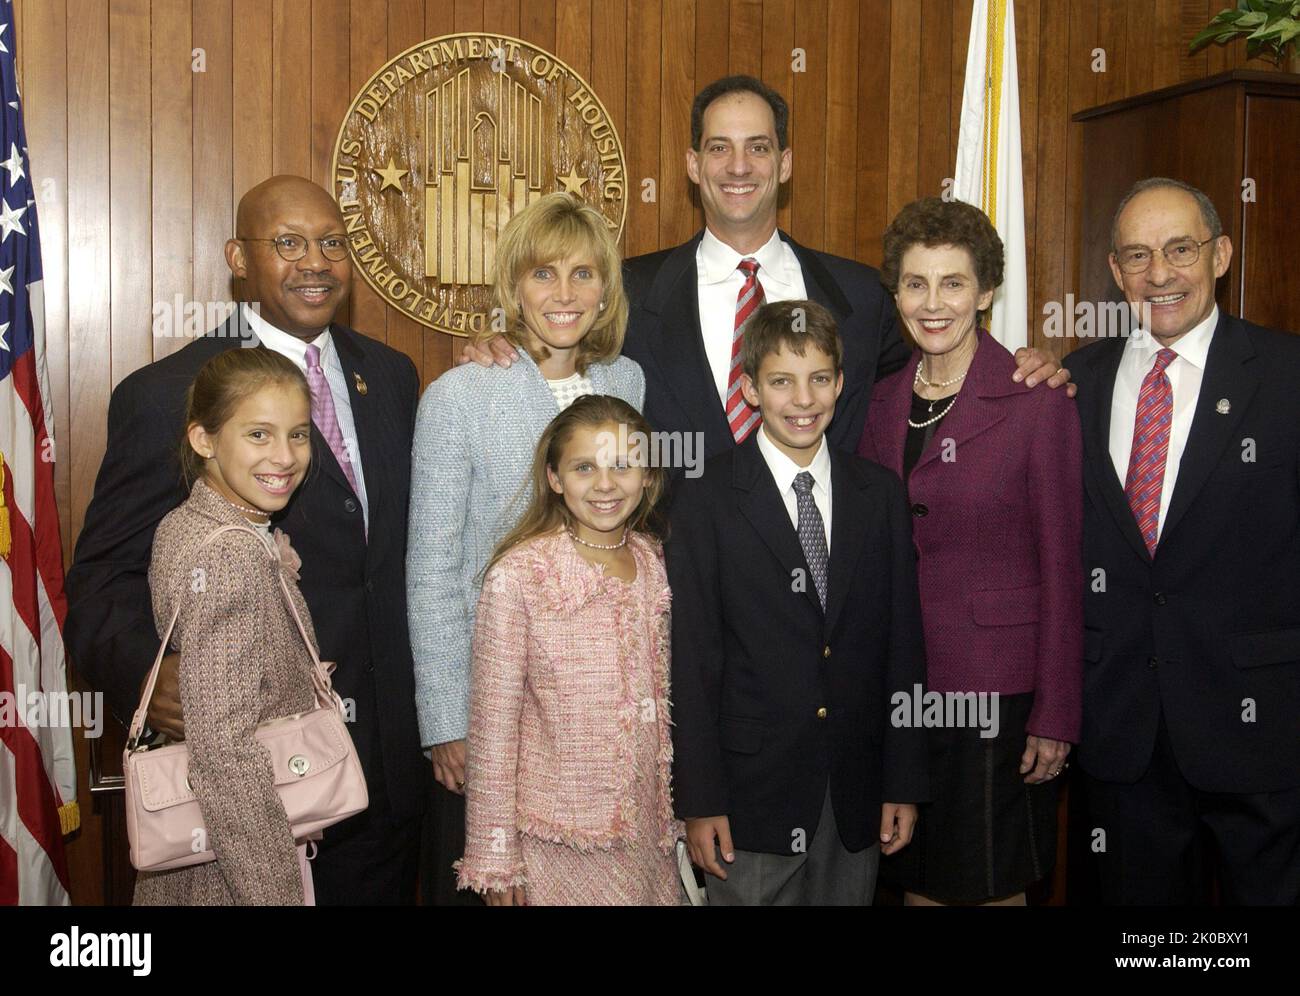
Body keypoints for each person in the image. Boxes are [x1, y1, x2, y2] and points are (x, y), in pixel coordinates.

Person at [65, 175, 427, 905]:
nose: (315, 262)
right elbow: (101, 581)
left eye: (332, 243)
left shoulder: (389, 377)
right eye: (287, 243)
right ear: (239, 258)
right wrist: (153, 680)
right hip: (249, 782)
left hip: (381, 767)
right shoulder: (169, 393)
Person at [462, 75, 1073, 456]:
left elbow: (933, 379)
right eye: (718, 148)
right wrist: (501, 348)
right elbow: (563, 366)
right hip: (679, 601)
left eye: (758, 147)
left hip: (825, 609)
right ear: (693, 166)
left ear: (784, 164)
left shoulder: (862, 296)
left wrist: (1021, 366)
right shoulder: (627, 290)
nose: (738, 167)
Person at [407, 192, 644, 903]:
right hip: (498, 707)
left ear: (606, 289)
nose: (564, 294)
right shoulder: (460, 395)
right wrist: (446, 719)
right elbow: (432, 569)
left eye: (583, 273)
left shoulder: (626, 381)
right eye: (543, 274)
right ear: (513, 286)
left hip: (599, 707)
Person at [1070, 177, 1300, 905]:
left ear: (1221, 254)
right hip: (1120, 731)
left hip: (1260, 730)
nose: (1159, 274)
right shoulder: (1073, 383)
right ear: (1114, 272)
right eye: (1137, 256)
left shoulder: (1289, 377)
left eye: (1180, 250)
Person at [857, 198, 1082, 905]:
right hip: (902, 692)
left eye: (953, 283)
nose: (933, 303)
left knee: (986, 887)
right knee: (919, 883)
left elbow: (1065, 568)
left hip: (998, 697)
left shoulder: (1036, 401)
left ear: (985, 292)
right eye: (916, 284)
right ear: (895, 292)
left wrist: (1057, 715)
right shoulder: (878, 403)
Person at [666, 299, 928, 905]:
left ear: (840, 382)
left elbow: (903, 646)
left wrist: (903, 781)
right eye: (781, 381)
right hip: (748, 796)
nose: (803, 400)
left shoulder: (878, 494)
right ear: (751, 390)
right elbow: (692, 659)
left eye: (819, 379)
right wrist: (699, 799)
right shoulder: (706, 498)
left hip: (855, 795)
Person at [456, 395, 679, 905]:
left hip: (648, 840)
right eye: (584, 467)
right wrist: (495, 860)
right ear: (555, 478)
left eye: (623, 465)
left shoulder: (654, 561)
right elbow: (493, 730)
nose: (605, 485)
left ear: (647, 474)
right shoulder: (519, 577)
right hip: (555, 840)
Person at [136, 348, 320, 905]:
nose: (285, 457)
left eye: (299, 434)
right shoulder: (231, 555)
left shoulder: (189, 522)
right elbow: (224, 754)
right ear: (204, 440)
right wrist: (275, 895)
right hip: (231, 870)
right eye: (259, 435)